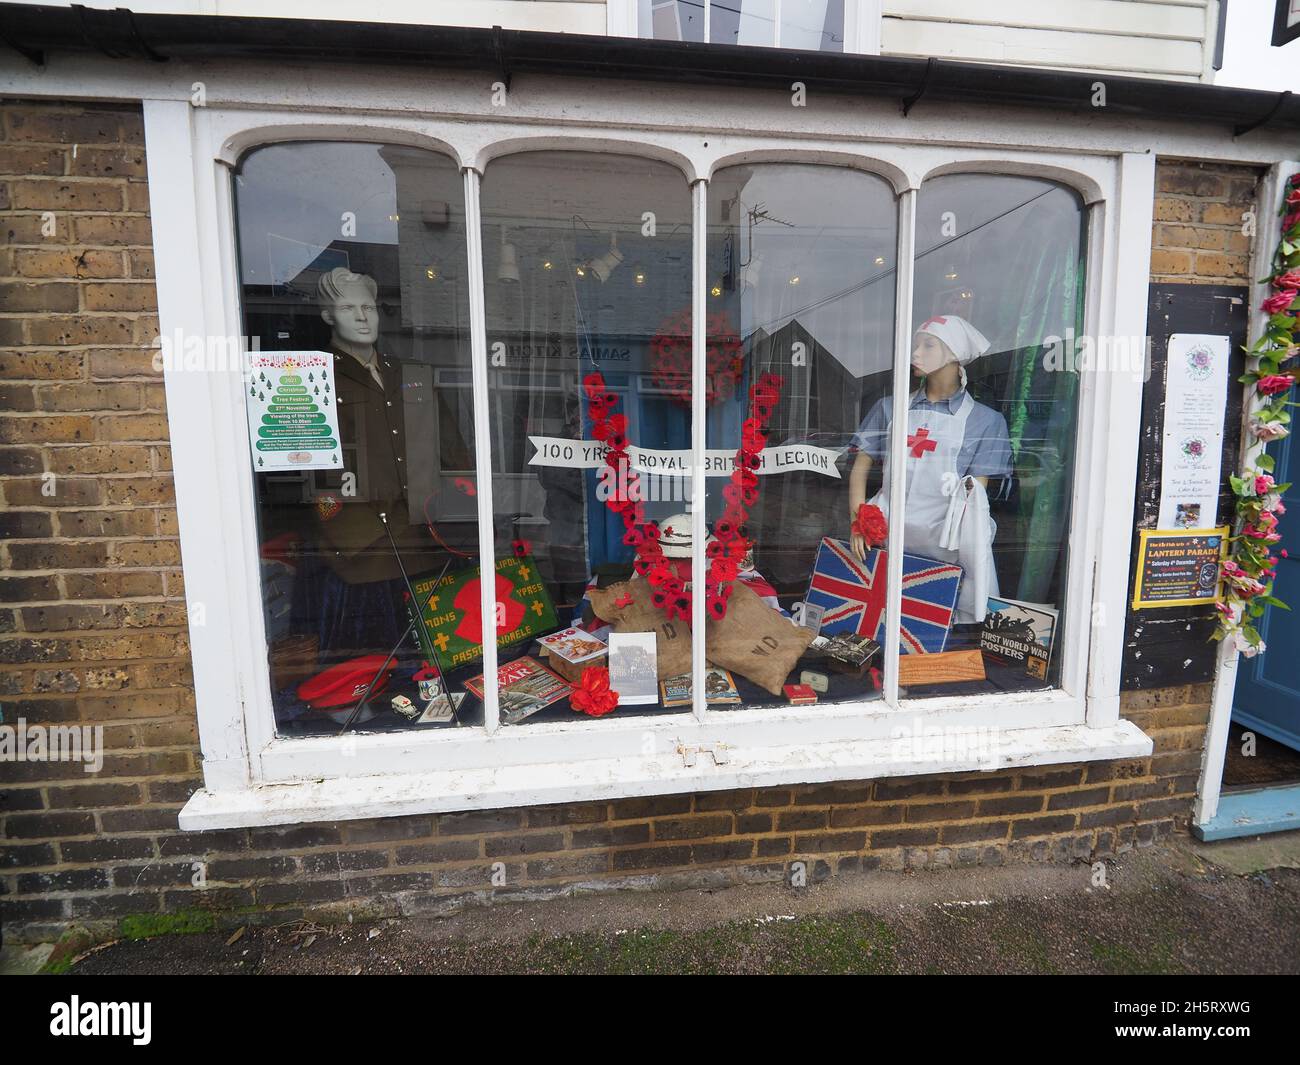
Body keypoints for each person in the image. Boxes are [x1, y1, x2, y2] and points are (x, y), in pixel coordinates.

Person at [846, 314, 1011, 624]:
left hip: (944, 546)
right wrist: (859, 520)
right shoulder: (889, 408)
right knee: (875, 619)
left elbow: (975, 497)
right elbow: (860, 469)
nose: (915, 353)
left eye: (928, 345)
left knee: (930, 624)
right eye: (915, 344)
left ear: (953, 355)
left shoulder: (986, 421)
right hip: (885, 537)